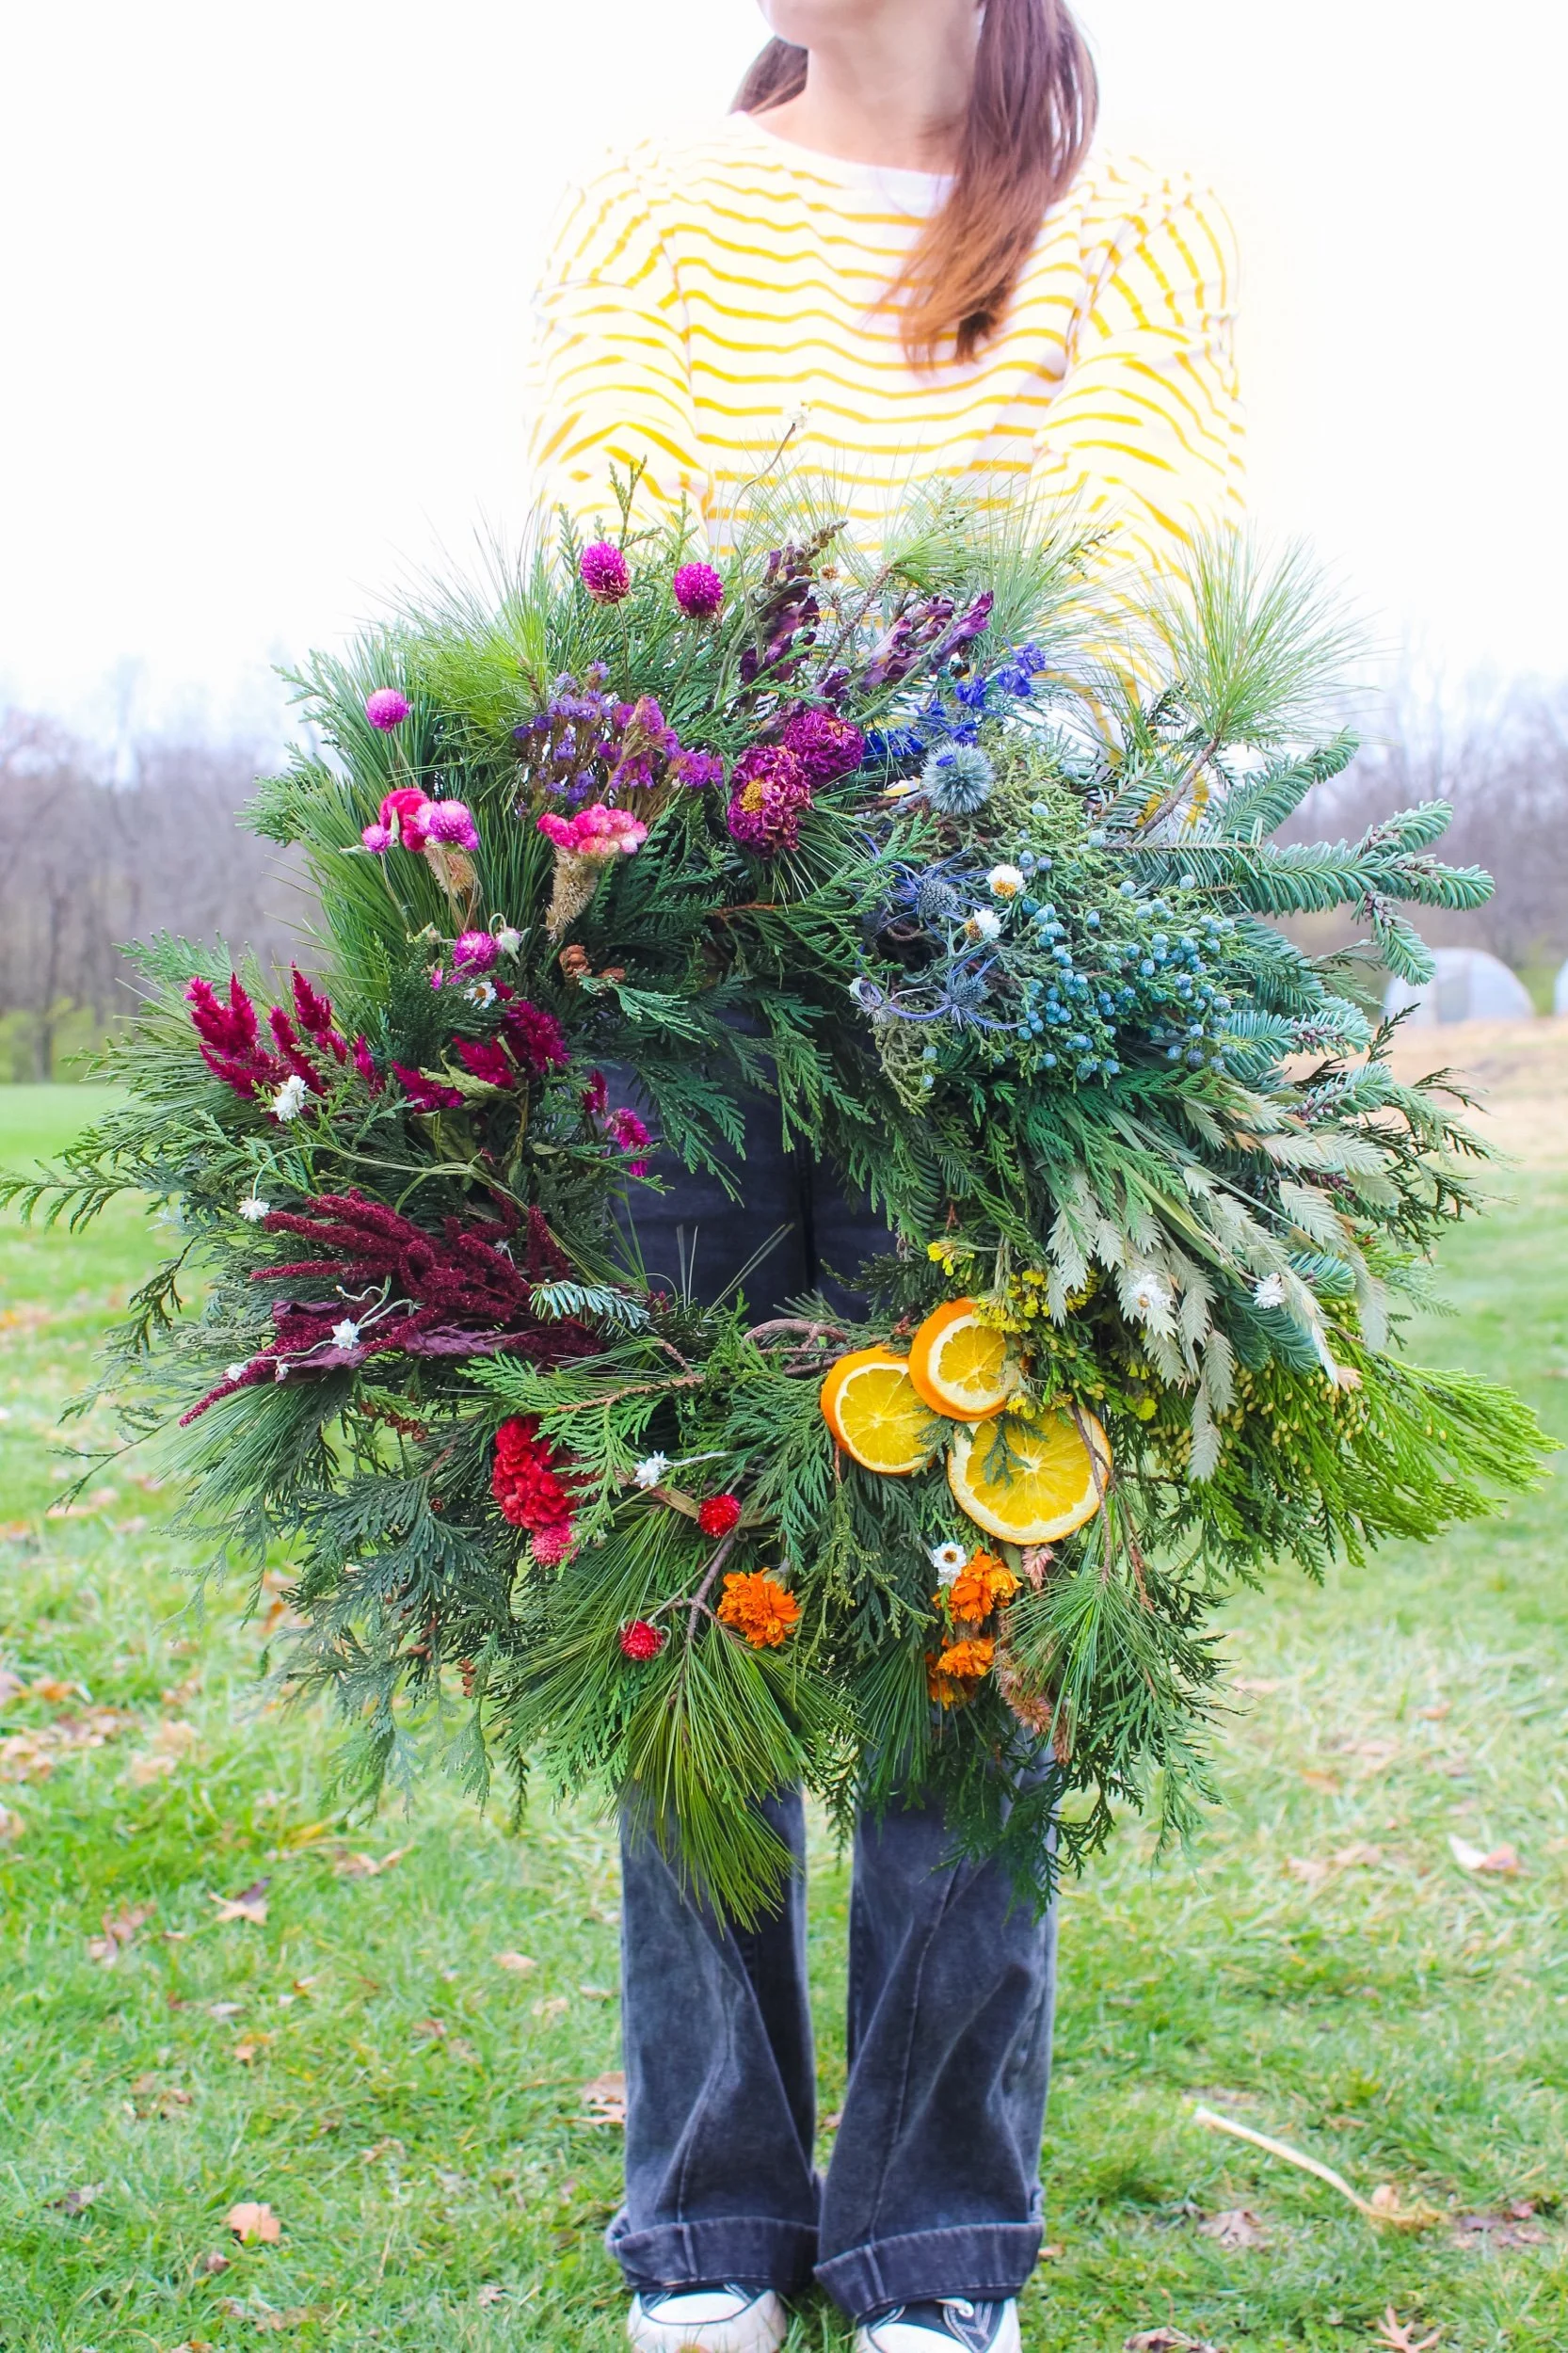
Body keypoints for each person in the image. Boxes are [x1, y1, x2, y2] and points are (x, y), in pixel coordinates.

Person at [523, 7, 1243, 2348]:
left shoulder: (1124, 226)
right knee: (685, 1580)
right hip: (692, 997)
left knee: (975, 1580)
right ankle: (712, 2218)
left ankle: (935, 2234)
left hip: (989, 994)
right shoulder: (655, 202)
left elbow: (1128, 608)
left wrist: (966, 857)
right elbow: (616, 566)